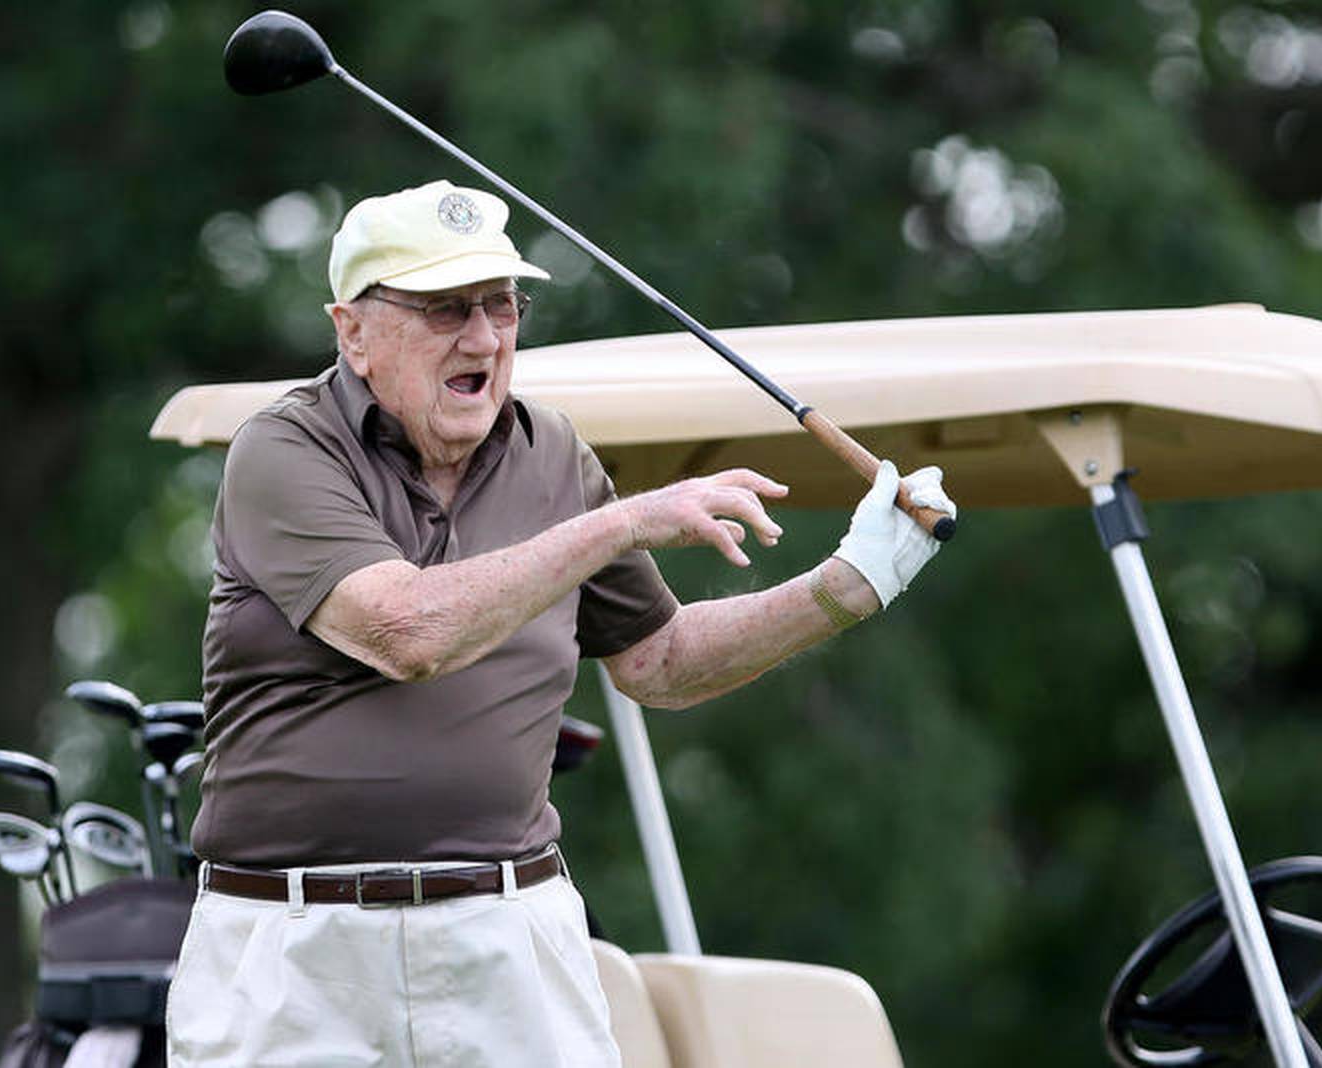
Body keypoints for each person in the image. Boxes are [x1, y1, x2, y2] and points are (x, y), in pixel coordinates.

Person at [167, 178, 955, 1067]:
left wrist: (848, 583)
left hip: (510, 943)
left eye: (502, 305)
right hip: (291, 953)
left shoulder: (554, 455)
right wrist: (622, 521)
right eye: (443, 309)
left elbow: (661, 662)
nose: (484, 338)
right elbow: (407, 633)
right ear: (352, 331)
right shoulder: (284, 448)